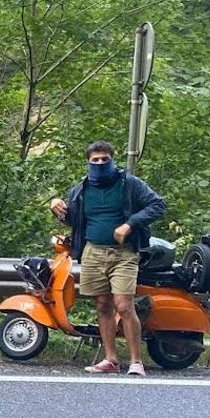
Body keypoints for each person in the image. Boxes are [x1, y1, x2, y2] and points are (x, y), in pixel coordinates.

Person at [50, 140, 166, 376]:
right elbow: (74, 220)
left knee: (124, 305)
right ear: (88, 162)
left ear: (113, 159)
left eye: (105, 159)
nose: (101, 163)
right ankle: (110, 359)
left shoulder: (129, 184)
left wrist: (130, 224)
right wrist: (56, 207)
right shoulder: (81, 190)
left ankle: (136, 362)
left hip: (124, 253)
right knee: (103, 305)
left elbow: (158, 205)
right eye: (96, 160)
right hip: (92, 251)